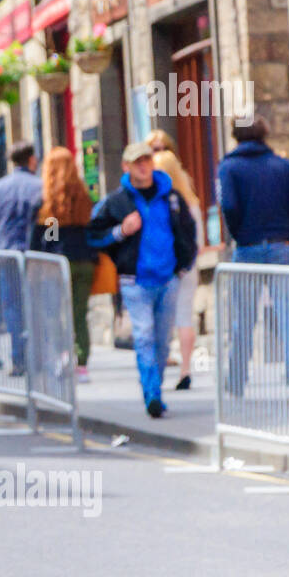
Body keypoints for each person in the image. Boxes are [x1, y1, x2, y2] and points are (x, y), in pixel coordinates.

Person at [88, 142, 198, 418]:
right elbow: (93, 235)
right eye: (136, 161)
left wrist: (183, 266)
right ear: (126, 166)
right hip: (134, 281)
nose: (143, 165)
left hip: (168, 279)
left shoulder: (171, 198)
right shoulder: (116, 201)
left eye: (146, 160)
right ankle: (152, 393)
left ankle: (155, 387)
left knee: (162, 340)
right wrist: (120, 231)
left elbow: (189, 233)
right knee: (145, 336)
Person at [216, 115, 289, 395]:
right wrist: (286, 228)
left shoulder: (229, 167)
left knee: (242, 319)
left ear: (234, 134)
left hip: (247, 247)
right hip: (282, 244)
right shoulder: (283, 166)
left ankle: (236, 384)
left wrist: (239, 233)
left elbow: (229, 206)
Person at [0, 140, 44, 375]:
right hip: (33, 255)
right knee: (37, 306)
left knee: (12, 308)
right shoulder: (40, 186)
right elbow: (50, 225)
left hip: (4, 255)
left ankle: (18, 360)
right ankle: (38, 358)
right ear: (32, 159)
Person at [31, 147, 97, 382]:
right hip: (84, 262)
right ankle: (81, 364)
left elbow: (47, 238)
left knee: (55, 313)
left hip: (57, 265)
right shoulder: (83, 197)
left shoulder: (47, 202)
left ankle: (62, 355)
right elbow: (89, 229)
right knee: (80, 314)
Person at [152, 149, 204, 390]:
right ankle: (185, 369)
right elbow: (199, 241)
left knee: (160, 317)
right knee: (185, 316)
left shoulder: (156, 202)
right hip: (188, 266)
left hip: (163, 267)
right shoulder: (190, 202)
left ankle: (159, 368)